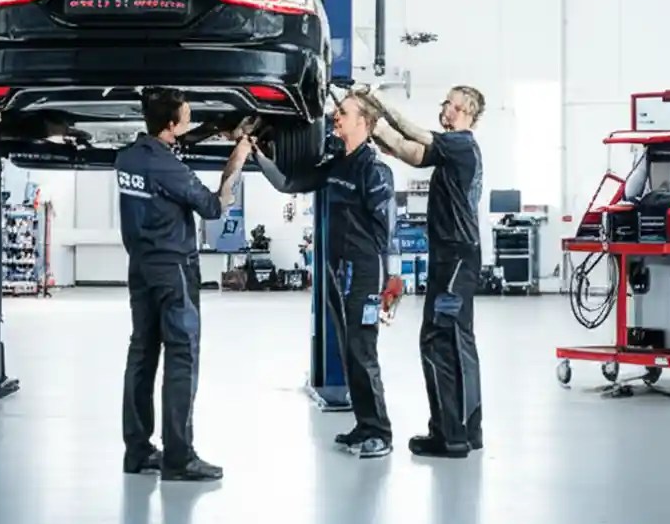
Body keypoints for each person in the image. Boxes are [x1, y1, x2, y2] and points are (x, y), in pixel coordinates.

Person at [115, 87, 252, 482]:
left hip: (140, 269)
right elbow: (212, 206)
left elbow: (172, 148)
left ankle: (137, 452)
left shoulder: (128, 158)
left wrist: (213, 130)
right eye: (187, 115)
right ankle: (179, 457)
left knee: (141, 354)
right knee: (181, 356)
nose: (189, 120)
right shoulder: (168, 169)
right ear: (171, 124)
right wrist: (238, 156)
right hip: (173, 270)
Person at [251, 94, 396, 459]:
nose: (336, 117)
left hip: (364, 272)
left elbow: (386, 234)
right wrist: (258, 155)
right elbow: (288, 183)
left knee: (363, 352)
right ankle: (364, 425)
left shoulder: (374, 171)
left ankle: (380, 431)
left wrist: (388, 283)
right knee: (349, 351)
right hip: (338, 270)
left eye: (343, 113)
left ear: (363, 122)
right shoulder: (337, 165)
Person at [356, 84, 485, 459]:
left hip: (456, 258)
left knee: (440, 339)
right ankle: (463, 430)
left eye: (447, 101)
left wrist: (378, 102)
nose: (442, 106)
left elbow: (414, 133)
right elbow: (413, 154)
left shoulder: (460, 142)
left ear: (461, 108)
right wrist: (377, 129)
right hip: (455, 257)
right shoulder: (451, 151)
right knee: (456, 340)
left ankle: (452, 436)